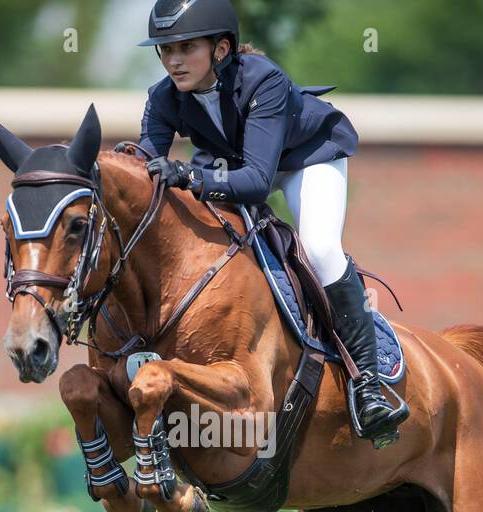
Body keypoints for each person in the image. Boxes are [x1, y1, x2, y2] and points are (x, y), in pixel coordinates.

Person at [136, 0, 408, 445]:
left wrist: (189, 174)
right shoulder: (163, 97)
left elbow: (258, 181)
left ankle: (368, 386)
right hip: (233, 164)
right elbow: (147, 165)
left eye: (186, 47)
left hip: (304, 159)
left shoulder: (265, 81)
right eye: (166, 50)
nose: (173, 60)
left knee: (319, 248)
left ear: (221, 49)